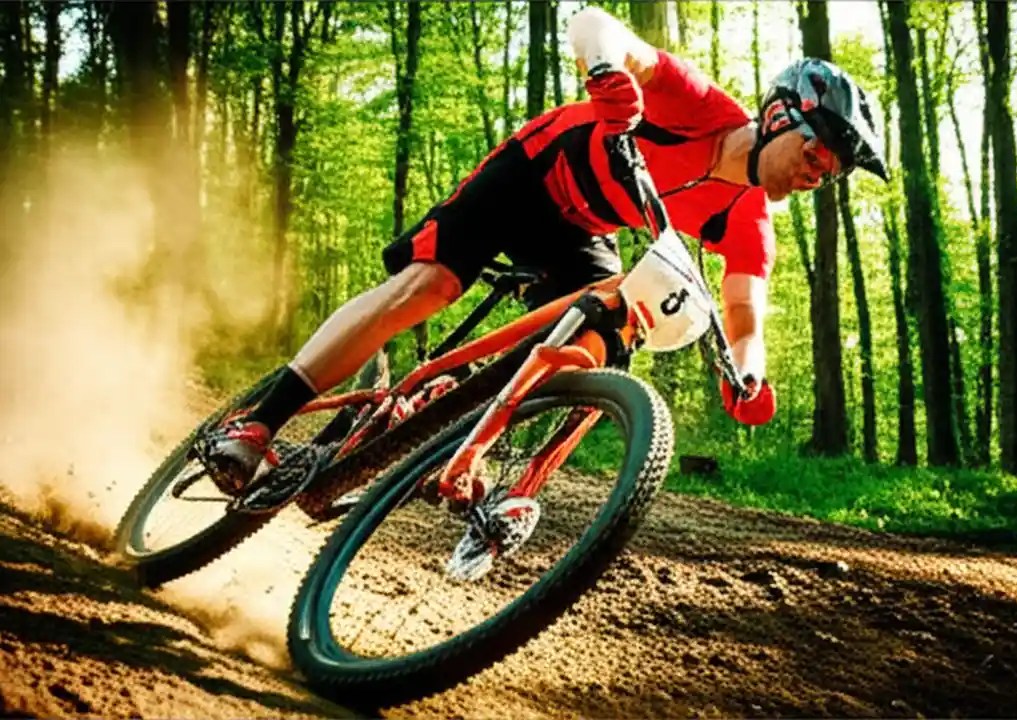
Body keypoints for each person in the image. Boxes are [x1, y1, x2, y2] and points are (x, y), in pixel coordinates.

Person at [203, 7, 888, 495]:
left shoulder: (751, 219)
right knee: (429, 288)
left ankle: (466, 437)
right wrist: (606, 71)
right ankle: (258, 425)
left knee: (610, 331)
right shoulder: (700, 104)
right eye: (819, 149)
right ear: (780, 114)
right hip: (533, 174)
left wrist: (749, 375)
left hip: (585, 230)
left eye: (834, 170)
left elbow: (744, 313)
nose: (820, 171)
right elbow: (594, 24)